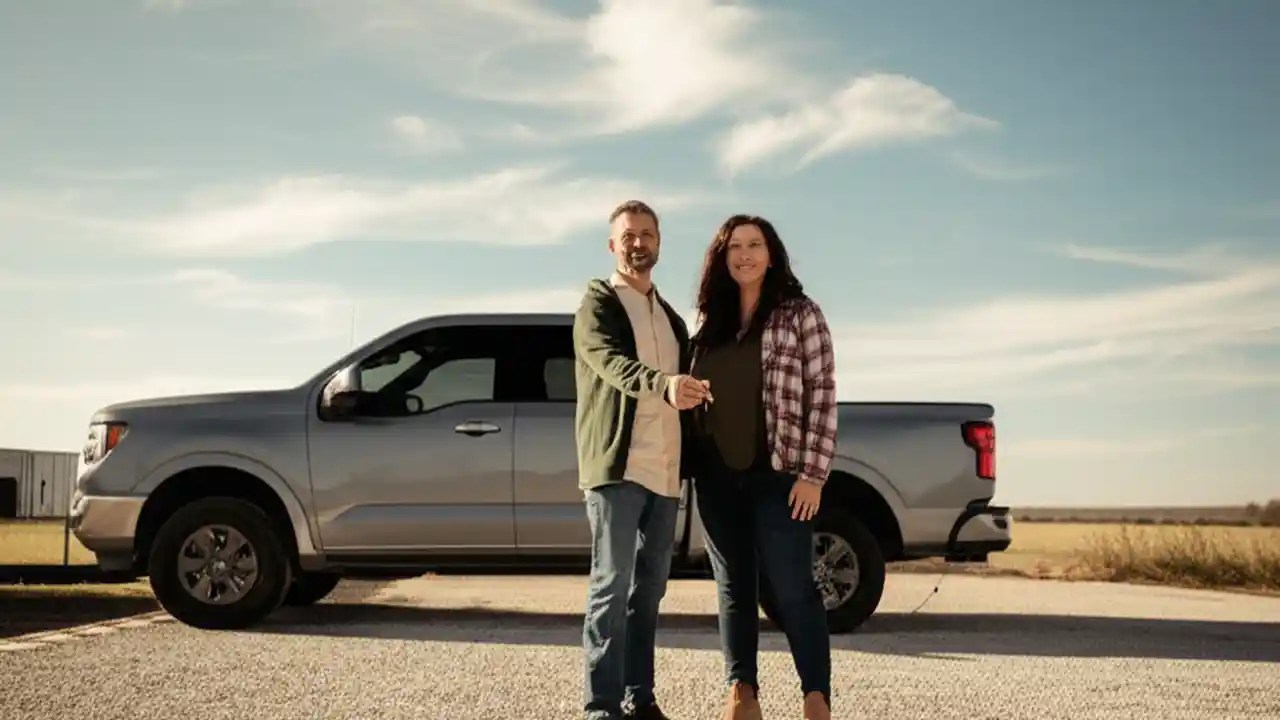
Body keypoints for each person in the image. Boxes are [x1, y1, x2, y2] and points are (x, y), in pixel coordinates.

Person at [688, 214, 837, 720]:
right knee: (733, 589)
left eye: (755, 245)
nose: (744, 254)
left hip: (780, 474)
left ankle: (815, 697)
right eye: (735, 246)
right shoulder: (708, 322)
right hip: (715, 475)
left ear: (772, 254)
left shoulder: (800, 314)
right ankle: (742, 694)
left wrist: (814, 475)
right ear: (722, 256)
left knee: (792, 586)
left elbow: (823, 397)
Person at [573, 199, 710, 720]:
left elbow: (694, 367)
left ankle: (639, 697)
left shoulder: (669, 317)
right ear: (613, 244)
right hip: (618, 469)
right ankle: (601, 705)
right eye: (628, 234)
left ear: (659, 242)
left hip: (665, 470)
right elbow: (611, 363)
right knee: (610, 585)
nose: (638, 242)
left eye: (647, 234)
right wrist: (663, 384)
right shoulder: (598, 303)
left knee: (648, 591)